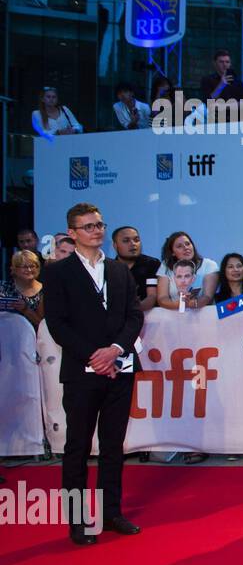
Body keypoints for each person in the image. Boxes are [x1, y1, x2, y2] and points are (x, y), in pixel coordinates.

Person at [41, 202, 144, 545]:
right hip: (81, 372)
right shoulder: (57, 272)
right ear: (72, 232)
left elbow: (134, 316)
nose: (96, 230)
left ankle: (111, 512)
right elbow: (57, 324)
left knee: (114, 445)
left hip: (120, 368)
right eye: (88, 226)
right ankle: (76, 520)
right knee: (77, 446)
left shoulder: (118, 271)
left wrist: (115, 351)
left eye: (100, 224)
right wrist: (93, 356)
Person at [156, 231, 219, 308]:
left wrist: (194, 304)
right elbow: (162, 298)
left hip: (203, 316)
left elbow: (208, 296)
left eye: (187, 244)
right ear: (172, 252)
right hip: (175, 315)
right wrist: (180, 305)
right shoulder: (165, 266)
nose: (186, 248)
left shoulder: (209, 265)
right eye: (179, 246)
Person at [112, 225, 161, 310]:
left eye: (136, 240)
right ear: (115, 246)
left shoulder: (152, 264)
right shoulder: (109, 268)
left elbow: (152, 296)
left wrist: (133, 311)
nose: (133, 244)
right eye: (126, 241)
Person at [0, 250, 44, 329]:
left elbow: (43, 325)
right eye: (25, 267)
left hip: (33, 337)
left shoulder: (45, 291)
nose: (29, 270)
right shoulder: (3, 287)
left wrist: (25, 310)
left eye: (32, 266)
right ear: (14, 269)